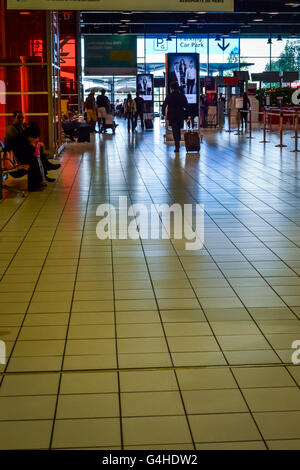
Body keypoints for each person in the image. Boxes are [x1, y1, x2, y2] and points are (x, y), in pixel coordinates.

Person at [4, 110, 60, 181]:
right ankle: (46, 169)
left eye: (22, 118)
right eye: (19, 118)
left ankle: (45, 174)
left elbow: (23, 143)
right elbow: (18, 142)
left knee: (37, 153)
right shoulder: (11, 129)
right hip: (15, 157)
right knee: (35, 157)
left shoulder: (20, 128)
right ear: (14, 118)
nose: (21, 119)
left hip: (20, 153)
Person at [13, 123, 45, 191]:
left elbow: (27, 152)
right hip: (16, 161)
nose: (34, 139)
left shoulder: (23, 136)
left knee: (36, 159)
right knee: (33, 161)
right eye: (34, 137)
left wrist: (32, 146)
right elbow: (25, 152)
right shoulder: (23, 139)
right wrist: (32, 145)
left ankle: (38, 182)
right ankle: (33, 186)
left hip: (18, 158)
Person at [162, 81, 188, 153]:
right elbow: (186, 105)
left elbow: (164, 104)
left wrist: (163, 113)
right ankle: (177, 143)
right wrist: (186, 115)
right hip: (180, 115)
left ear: (171, 88)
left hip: (172, 115)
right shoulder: (182, 95)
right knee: (178, 129)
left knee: (175, 130)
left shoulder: (169, 96)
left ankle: (177, 145)